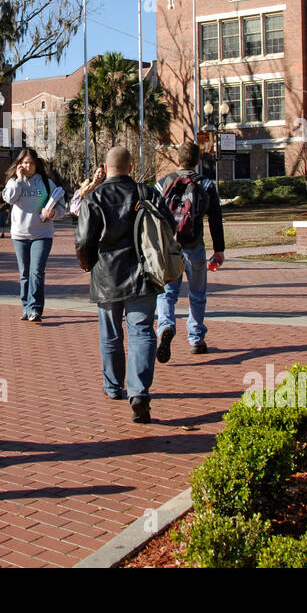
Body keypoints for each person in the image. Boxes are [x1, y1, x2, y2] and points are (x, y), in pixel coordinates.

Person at [75, 145, 176, 424]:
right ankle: (139, 392)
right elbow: (170, 226)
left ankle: (112, 386)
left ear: (105, 169)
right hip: (143, 272)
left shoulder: (94, 197)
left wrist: (86, 263)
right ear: (131, 167)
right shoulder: (146, 193)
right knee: (142, 331)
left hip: (106, 275)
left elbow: (83, 241)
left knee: (110, 334)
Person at [154, 141, 225, 361]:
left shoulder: (163, 183)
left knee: (167, 293)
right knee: (197, 294)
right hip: (194, 246)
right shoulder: (205, 185)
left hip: (170, 248)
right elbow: (215, 218)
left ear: (178, 159)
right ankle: (196, 338)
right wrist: (219, 249)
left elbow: (153, 217)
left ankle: (166, 326)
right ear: (197, 161)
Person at [2, 148, 67, 322]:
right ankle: (26, 306)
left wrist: (52, 214)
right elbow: (9, 199)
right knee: (24, 272)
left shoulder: (46, 183)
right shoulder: (14, 182)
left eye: (30, 163)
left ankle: (35, 308)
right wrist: (19, 180)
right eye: (24, 163)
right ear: (19, 164)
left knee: (36, 271)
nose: (28, 166)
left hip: (42, 234)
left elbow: (62, 208)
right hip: (20, 235)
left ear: (36, 164)